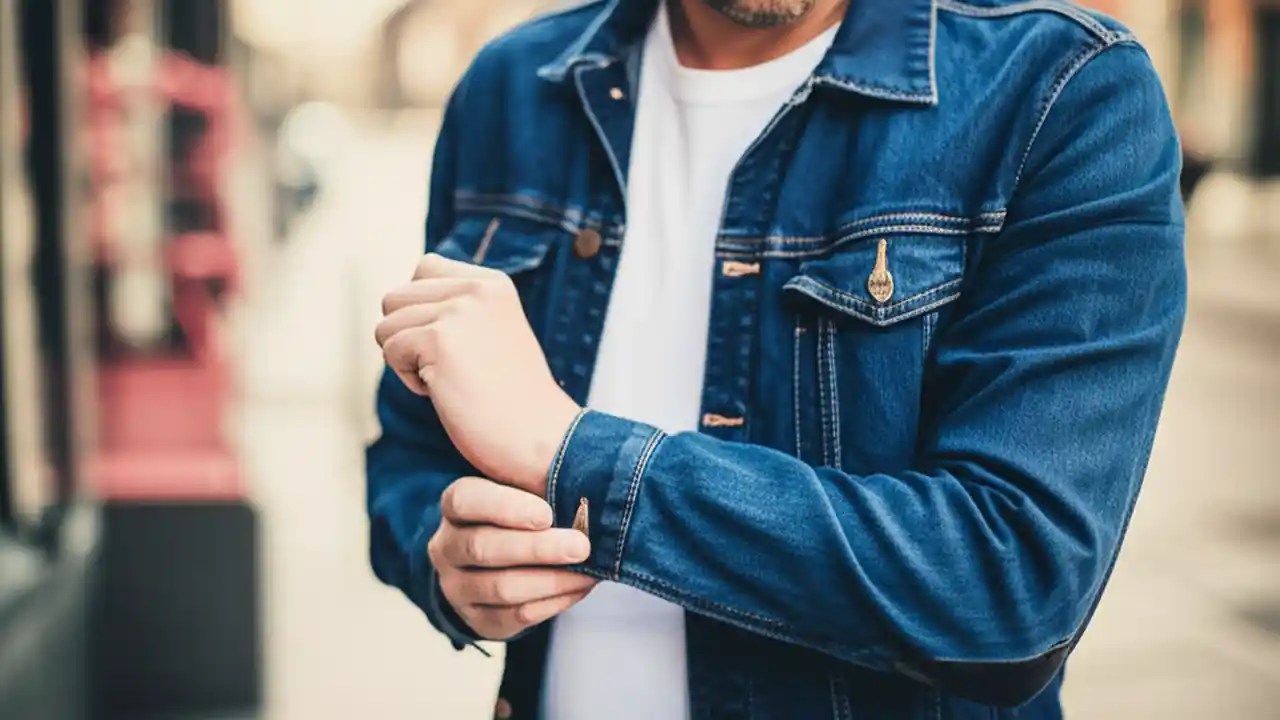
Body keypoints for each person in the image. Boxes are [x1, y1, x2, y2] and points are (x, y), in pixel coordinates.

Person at [366, 0, 1186, 718]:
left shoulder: (1062, 91)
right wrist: (447, 565)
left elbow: (1013, 587)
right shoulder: (512, 89)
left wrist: (572, 454)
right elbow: (409, 455)